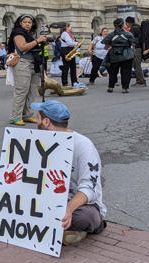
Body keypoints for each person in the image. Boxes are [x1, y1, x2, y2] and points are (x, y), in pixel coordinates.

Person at [29, 100, 106, 246]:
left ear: (46, 122)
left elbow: (89, 186)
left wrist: (68, 209)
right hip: (48, 199)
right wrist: (4, 194)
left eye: (37, 117)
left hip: (77, 204)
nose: (35, 121)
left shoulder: (83, 145)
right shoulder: (37, 141)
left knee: (86, 217)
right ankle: (63, 229)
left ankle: (85, 226)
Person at [8, 14, 47, 126]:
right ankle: (15, 117)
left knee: (32, 91)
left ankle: (27, 115)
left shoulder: (29, 34)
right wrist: (37, 40)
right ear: (20, 23)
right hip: (22, 63)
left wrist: (40, 42)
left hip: (33, 64)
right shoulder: (18, 33)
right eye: (25, 22)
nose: (27, 24)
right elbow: (22, 47)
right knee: (21, 91)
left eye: (29, 22)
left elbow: (33, 47)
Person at [103, 18, 136, 93]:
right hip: (127, 55)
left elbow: (106, 47)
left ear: (114, 25)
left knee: (113, 72)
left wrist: (113, 46)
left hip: (114, 55)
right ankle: (124, 88)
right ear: (122, 25)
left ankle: (110, 87)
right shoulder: (128, 34)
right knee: (126, 72)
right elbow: (133, 43)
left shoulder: (110, 35)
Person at [124, 17, 146, 87]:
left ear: (128, 22)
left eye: (126, 23)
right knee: (137, 65)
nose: (126, 24)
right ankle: (140, 80)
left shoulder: (134, 28)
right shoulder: (137, 27)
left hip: (137, 48)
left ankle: (141, 81)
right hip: (138, 48)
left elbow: (131, 39)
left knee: (137, 65)